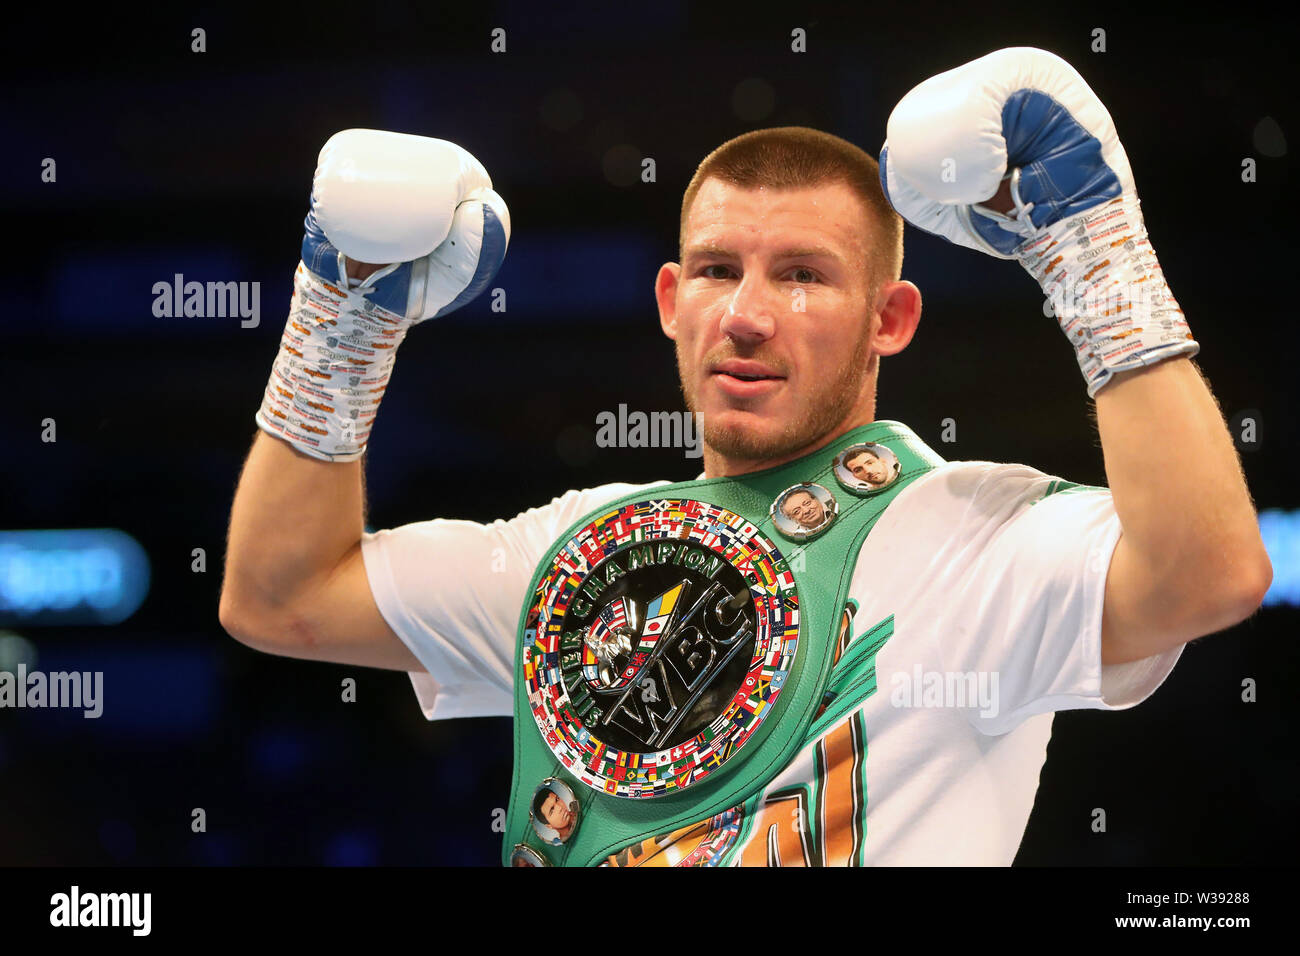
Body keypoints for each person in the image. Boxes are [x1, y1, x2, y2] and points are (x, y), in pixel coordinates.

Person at [220, 49, 1272, 866]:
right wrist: (340, 321)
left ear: (891, 319)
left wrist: (1091, 251)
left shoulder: (975, 540)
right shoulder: (572, 552)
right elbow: (282, 596)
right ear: (671, 301)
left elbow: (1208, 572)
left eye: (804, 275)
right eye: (718, 269)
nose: (747, 315)